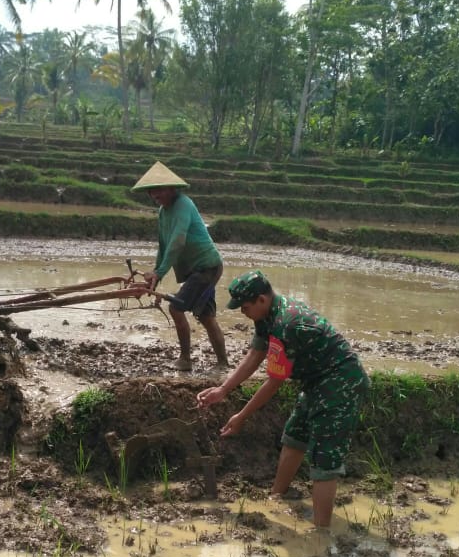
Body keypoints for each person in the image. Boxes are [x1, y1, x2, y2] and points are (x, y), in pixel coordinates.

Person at [196, 270, 369, 528]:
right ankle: (277, 496)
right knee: (294, 435)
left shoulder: (287, 324)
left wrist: (241, 417)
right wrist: (223, 390)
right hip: (316, 381)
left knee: (324, 458)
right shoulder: (267, 316)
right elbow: (255, 355)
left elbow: (274, 382)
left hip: (340, 383)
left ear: (262, 300)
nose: (243, 312)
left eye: (245, 307)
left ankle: (321, 532)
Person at [131, 161, 228, 372]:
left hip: (207, 266)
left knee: (176, 307)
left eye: (161, 190)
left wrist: (160, 271)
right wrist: (156, 275)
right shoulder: (163, 212)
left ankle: (185, 360)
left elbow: (177, 241)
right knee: (206, 316)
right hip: (199, 269)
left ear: (172, 188)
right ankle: (223, 364)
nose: (157, 195)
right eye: (153, 192)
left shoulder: (183, 204)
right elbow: (164, 244)